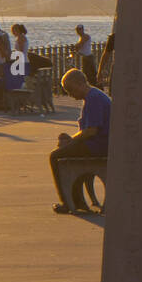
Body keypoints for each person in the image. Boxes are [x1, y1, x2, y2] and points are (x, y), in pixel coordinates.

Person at [48, 69, 111, 213]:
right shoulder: (94, 95)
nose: (70, 94)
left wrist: (71, 141)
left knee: (55, 156)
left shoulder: (93, 98)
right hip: (101, 143)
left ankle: (67, 202)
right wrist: (71, 141)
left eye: (71, 90)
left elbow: (91, 131)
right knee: (66, 151)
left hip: (99, 145)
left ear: (80, 83)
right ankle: (77, 201)